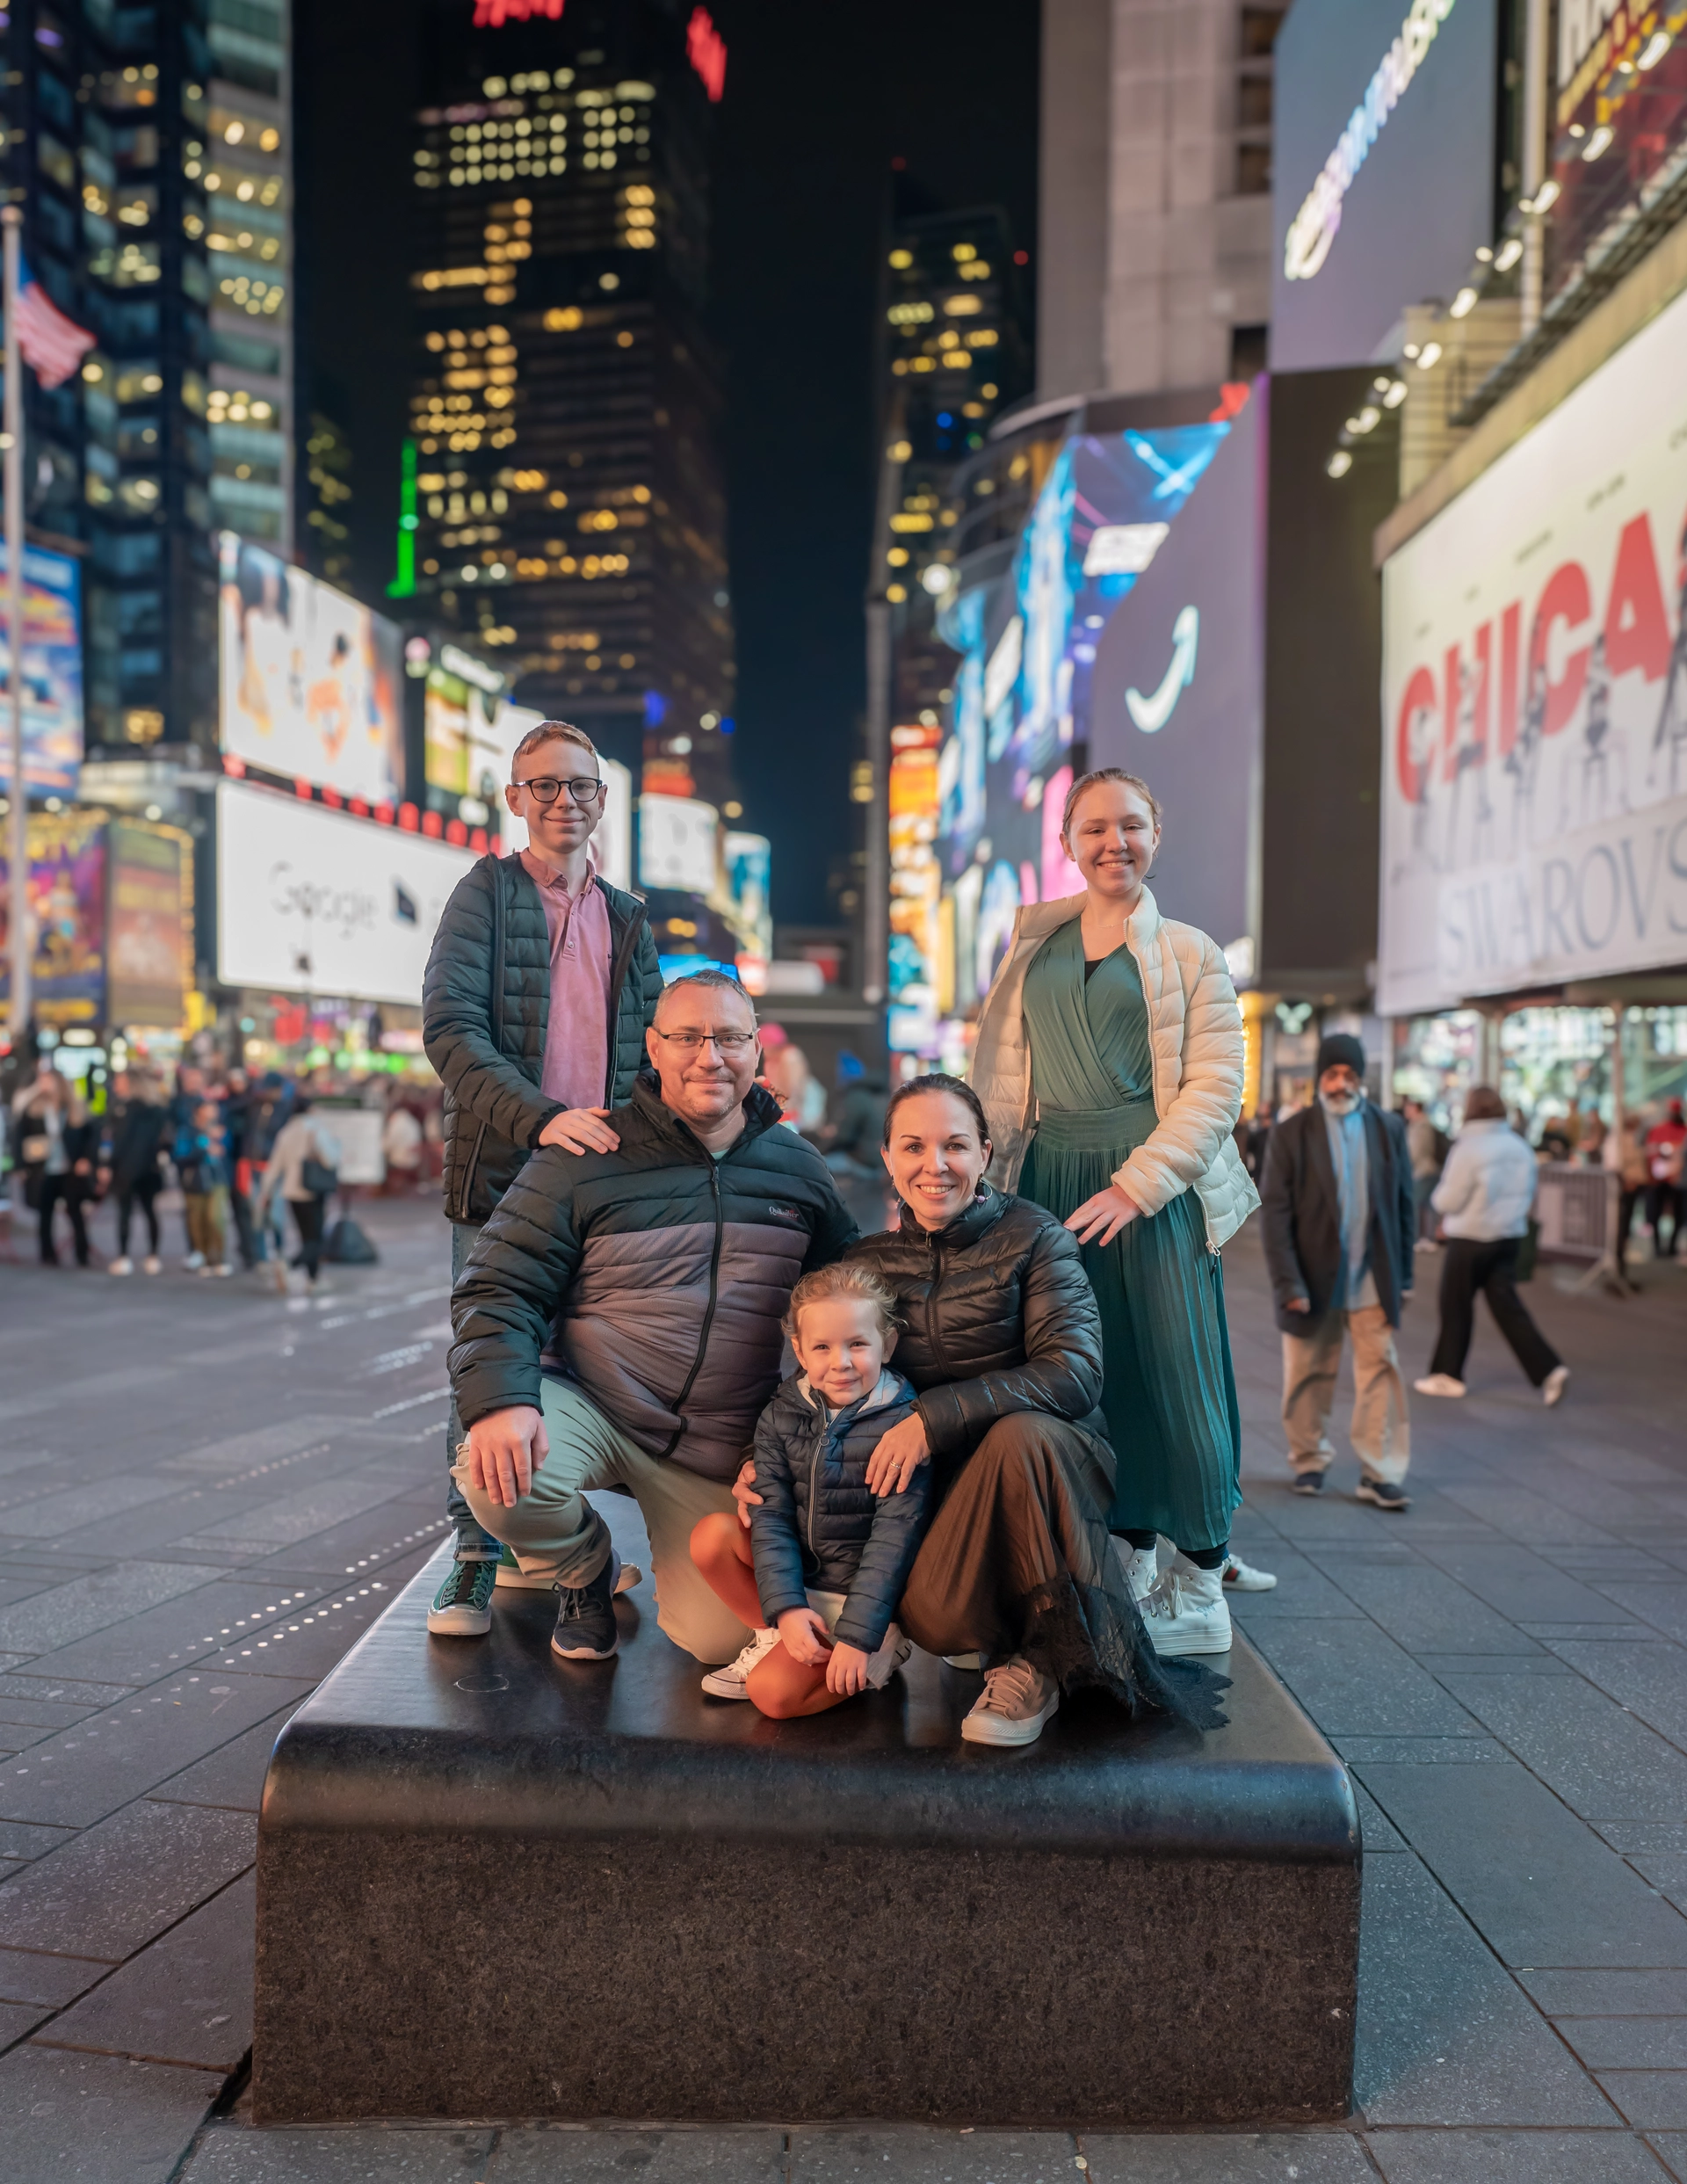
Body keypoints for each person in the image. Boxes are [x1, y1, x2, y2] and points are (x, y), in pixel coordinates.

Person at [735, 1074, 1222, 1750]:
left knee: (1021, 1435)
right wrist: (760, 1462)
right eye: (913, 1146)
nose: (934, 1165)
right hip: (936, 1508)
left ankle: (1038, 1662)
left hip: (1044, 1465)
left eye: (955, 1145)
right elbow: (822, 1378)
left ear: (985, 1153)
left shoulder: (1035, 1237)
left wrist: (933, 1417)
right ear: (888, 1159)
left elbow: (1075, 1373)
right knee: (934, 1621)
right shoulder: (869, 1262)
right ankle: (936, 1635)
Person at [445, 970, 858, 1667]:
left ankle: (661, 1573)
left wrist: (791, 1437)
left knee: (718, 1639)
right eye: (688, 1036)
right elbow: (498, 1284)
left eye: (729, 1037)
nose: (710, 1055)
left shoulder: (799, 1169)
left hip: (720, 1439)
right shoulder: (587, 1155)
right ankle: (584, 1568)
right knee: (497, 1474)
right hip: (593, 1400)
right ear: (654, 1048)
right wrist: (502, 1402)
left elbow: (855, 1301)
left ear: (757, 1051)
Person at [968, 768, 1268, 1655]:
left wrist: (1138, 1183)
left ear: (1156, 833)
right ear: (1066, 840)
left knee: (1180, 1375)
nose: (1114, 842)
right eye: (1094, 827)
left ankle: (1204, 1577)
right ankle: (1134, 1549)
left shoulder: (1189, 950)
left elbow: (1218, 1088)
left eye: (1131, 824)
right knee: (1096, 1377)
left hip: (1153, 1188)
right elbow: (1000, 1087)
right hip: (1054, 1181)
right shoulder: (1033, 949)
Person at [422, 719, 663, 1637]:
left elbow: (651, 1057)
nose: (567, 800)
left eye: (583, 786)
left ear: (603, 800)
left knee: (590, 1355)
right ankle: (475, 1559)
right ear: (515, 797)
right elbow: (451, 1032)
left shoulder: (630, 915)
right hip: (503, 1172)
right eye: (546, 784)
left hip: (601, 1181)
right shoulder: (483, 892)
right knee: (484, 1365)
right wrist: (542, 1117)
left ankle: (554, 1540)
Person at [689, 1261, 930, 1716]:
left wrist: (861, 1635)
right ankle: (773, 1640)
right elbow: (771, 1516)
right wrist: (786, 1610)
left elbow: (895, 1541)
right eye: (822, 1347)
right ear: (800, 1352)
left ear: (888, 1343)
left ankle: (879, 1655)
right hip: (802, 1581)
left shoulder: (904, 1426)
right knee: (711, 1535)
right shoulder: (783, 1411)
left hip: (863, 1598)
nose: (840, 1362)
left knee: (772, 1696)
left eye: (858, 1344)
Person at [1261, 1033, 1416, 1511]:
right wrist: (1288, 1281)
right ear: (1318, 1079)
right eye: (1332, 1074)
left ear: (1361, 1079)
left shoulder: (1387, 1128)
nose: (1341, 1083)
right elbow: (1276, 1214)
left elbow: (1405, 1205)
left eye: (1350, 1075)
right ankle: (1309, 1459)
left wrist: (1404, 1276)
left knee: (1380, 1370)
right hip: (1311, 1275)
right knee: (1308, 1371)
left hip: (1373, 1273)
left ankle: (1381, 1472)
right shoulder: (1292, 1133)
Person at [1416, 1085, 1568, 1405]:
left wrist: (1438, 1203)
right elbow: (1528, 1191)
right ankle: (1548, 1368)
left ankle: (1448, 1374)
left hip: (1470, 1236)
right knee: (1508, 1308)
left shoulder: (1469, 1148)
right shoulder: (1518, 1146)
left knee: (1455, 1306)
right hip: (1509, 1235)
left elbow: (1449, 1199)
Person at [11, 1068, 95, 1268]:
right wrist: (21, 1166)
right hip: (43, 1169)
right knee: (45, 1214)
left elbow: (90, 1135)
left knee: (75, 1212)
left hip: (69, 1168)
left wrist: (86, 1159)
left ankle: (82, 1253)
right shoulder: (33, 1107)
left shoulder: (72, 1107)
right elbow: (18, 1129)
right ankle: (47, 1254)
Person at [255, 1094, 341, 1289]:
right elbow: (329, 1159)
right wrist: (335, 1146)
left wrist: (266, 1191)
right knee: (316, 1239)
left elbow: (274, 1166)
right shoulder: (316, 1129)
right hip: (313, 1190)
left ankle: (312, 1279)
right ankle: (291, 1265)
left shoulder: (286, 1131)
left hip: (291, 1191)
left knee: (306, 1236)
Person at [100, 1070, 167, 1275]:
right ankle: (153, 1257)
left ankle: (124, 1257)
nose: (115, 1085)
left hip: (127, 1169)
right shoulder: (156, 1109)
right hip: (149, 1167)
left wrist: (107, 1165)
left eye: (119, 1081)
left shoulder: (123, 1110)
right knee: (149, 1211)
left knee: (125, 1212)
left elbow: (117, 1141)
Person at [177, 1099, 233, 1276]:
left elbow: (230, 1151)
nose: (212, 1114)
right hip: (195, 1181)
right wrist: (204, 1148)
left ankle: (217, 1258)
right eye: (208, 1110)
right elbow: (180, 1155)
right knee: (197, 1220)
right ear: (198, 1112)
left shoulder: (221, 1130)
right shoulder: (188, 1131)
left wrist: (219, 1141)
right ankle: (202, 1255)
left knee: (215, 1218)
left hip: (218, 1180)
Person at [1401, 1097, 1446, 1249]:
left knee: (1416, 1204)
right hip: (1426, 1170)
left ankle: (1418, 1237)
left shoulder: (1421, 1126)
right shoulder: (1422, 1125)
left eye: (1408, 1107)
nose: (1406, 1111)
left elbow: (1415, 1152)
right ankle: (1429, 1237)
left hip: (1423, 1171)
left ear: (1415, 1108)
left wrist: (1405, 1166)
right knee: (1427, 1205)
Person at [1644, 1097, 1685, 1259]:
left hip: (1678, 1180)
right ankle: (1657, 1246)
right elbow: (1650, 1153)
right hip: (1659, 1179)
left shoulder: (1683, 1130)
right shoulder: (1658, 1130)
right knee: (1655, 1213)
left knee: (1679, 1214)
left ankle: (1672, 1246)